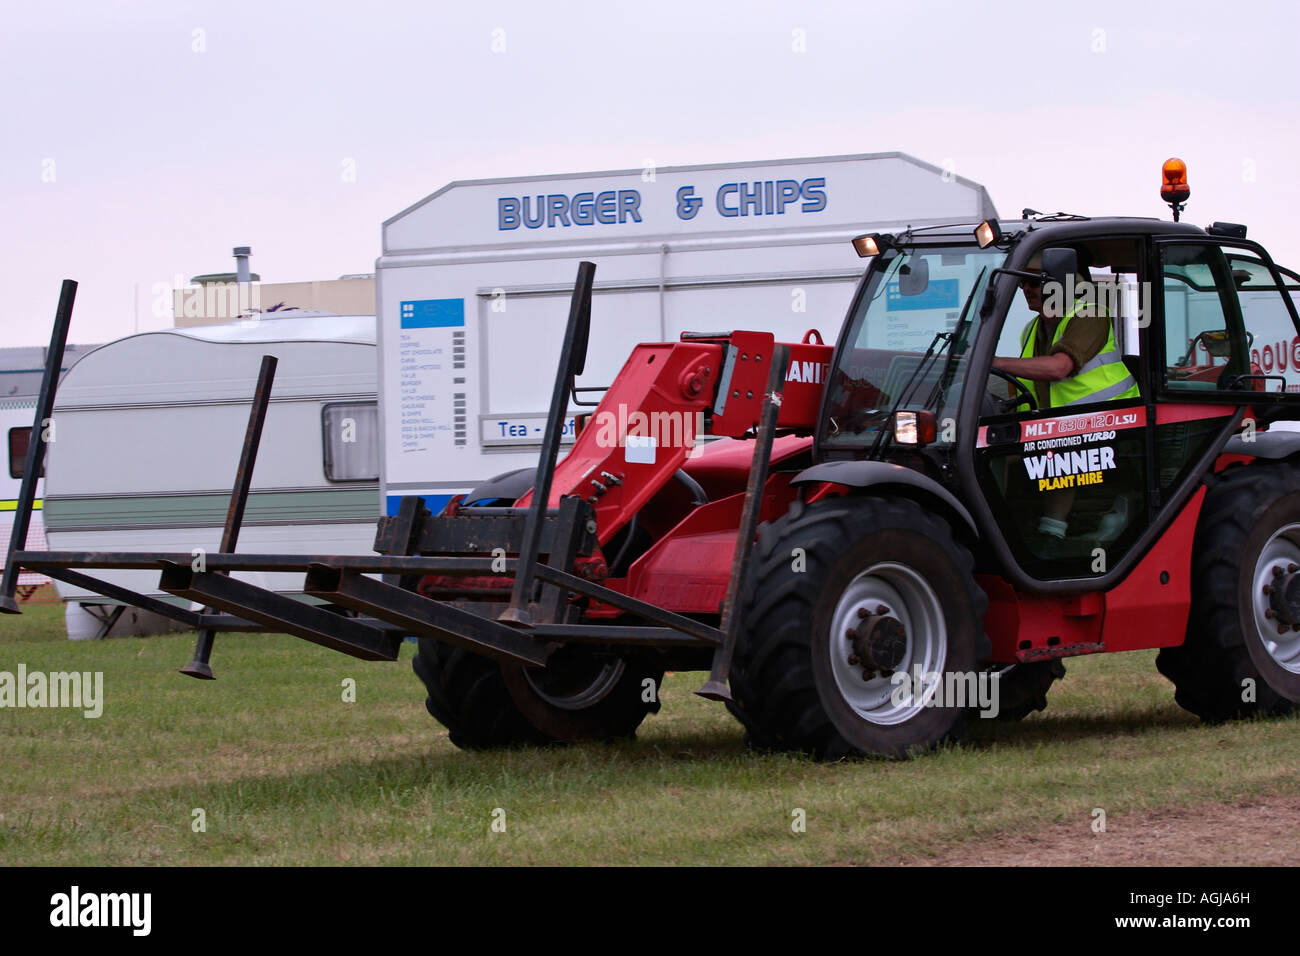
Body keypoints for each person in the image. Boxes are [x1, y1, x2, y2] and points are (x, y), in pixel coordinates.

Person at [991, 255, 1139, 549]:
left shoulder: (1089, 315)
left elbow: (1059, 367)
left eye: (1034, 282)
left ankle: (1049, 536)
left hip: (1112, 425)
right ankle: (1002, 532)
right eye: (1021, 282)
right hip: (1061, 425)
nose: (1026, 290)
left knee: (1050, 453)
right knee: (987, 447)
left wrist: (990, 361)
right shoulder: (1032, 329)